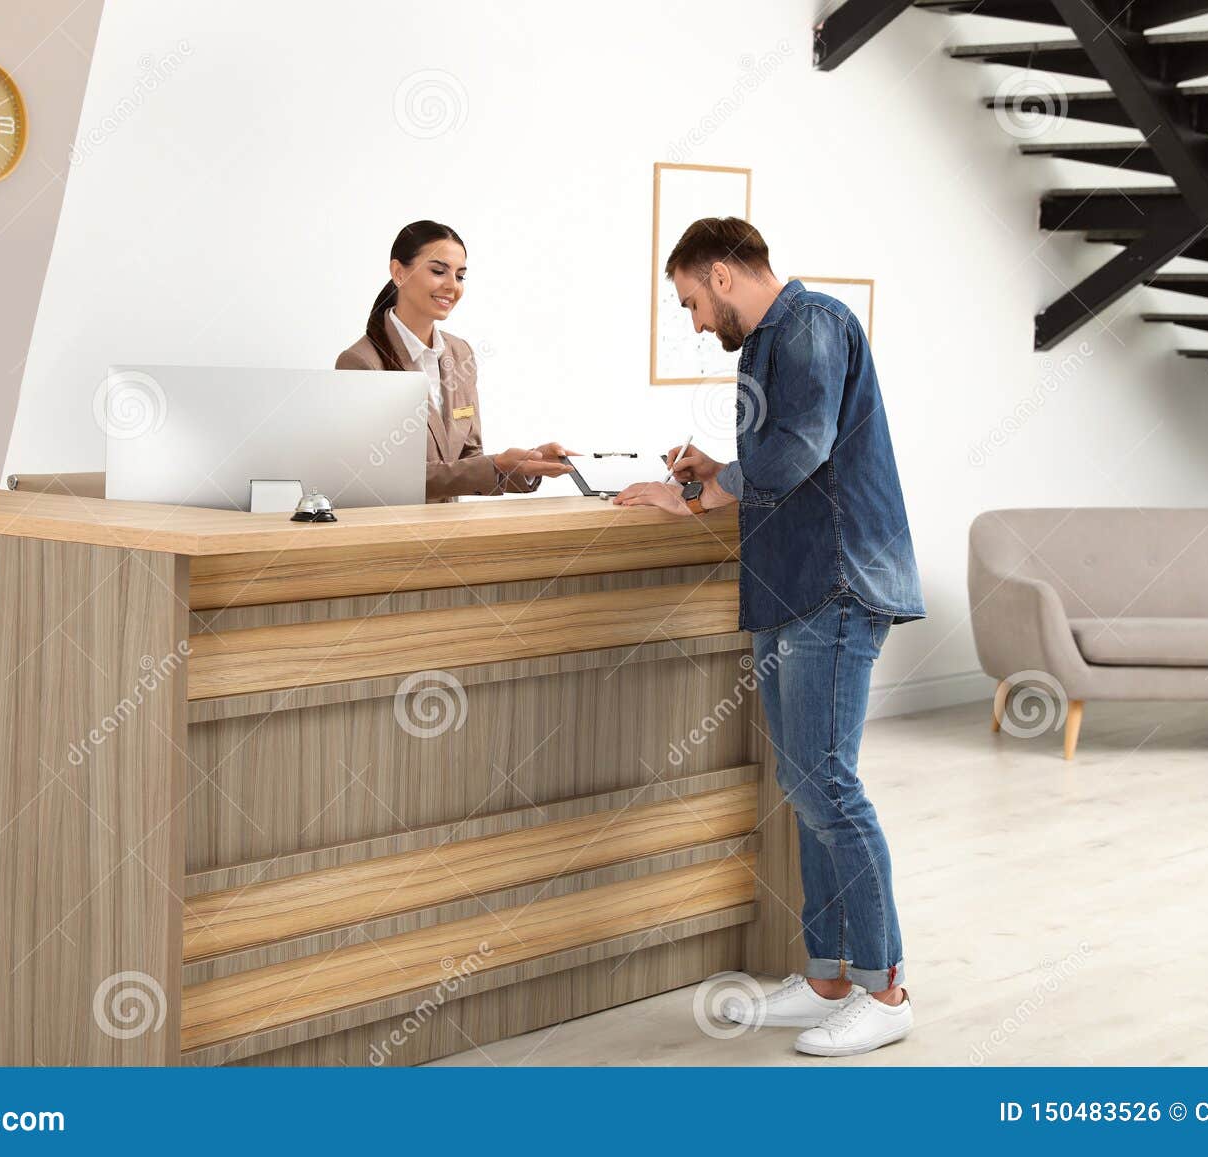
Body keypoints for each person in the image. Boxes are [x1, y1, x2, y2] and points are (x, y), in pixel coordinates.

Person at [613, 217, 925, 1057]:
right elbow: (781, 460)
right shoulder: (766, 344)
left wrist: (696, 498)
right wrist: (717, 472)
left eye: (689, 302)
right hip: (791, 584)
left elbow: (805, 446)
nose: (693, 321)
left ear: (720, 274)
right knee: (801, 781)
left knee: (828, 782)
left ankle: (885, 986)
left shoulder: (812, 322)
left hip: (838, 579)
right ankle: (827, 972)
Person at [336, 220, 573, 502]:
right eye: (438, 271)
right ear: (399, 273)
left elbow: (468, 459)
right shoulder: (361, 362)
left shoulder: (460, 354)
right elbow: (382, 478)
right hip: (393, 534)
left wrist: (527, 465)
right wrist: (497, 465)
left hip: (452, 532)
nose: (452, 286)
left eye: (460, 276)